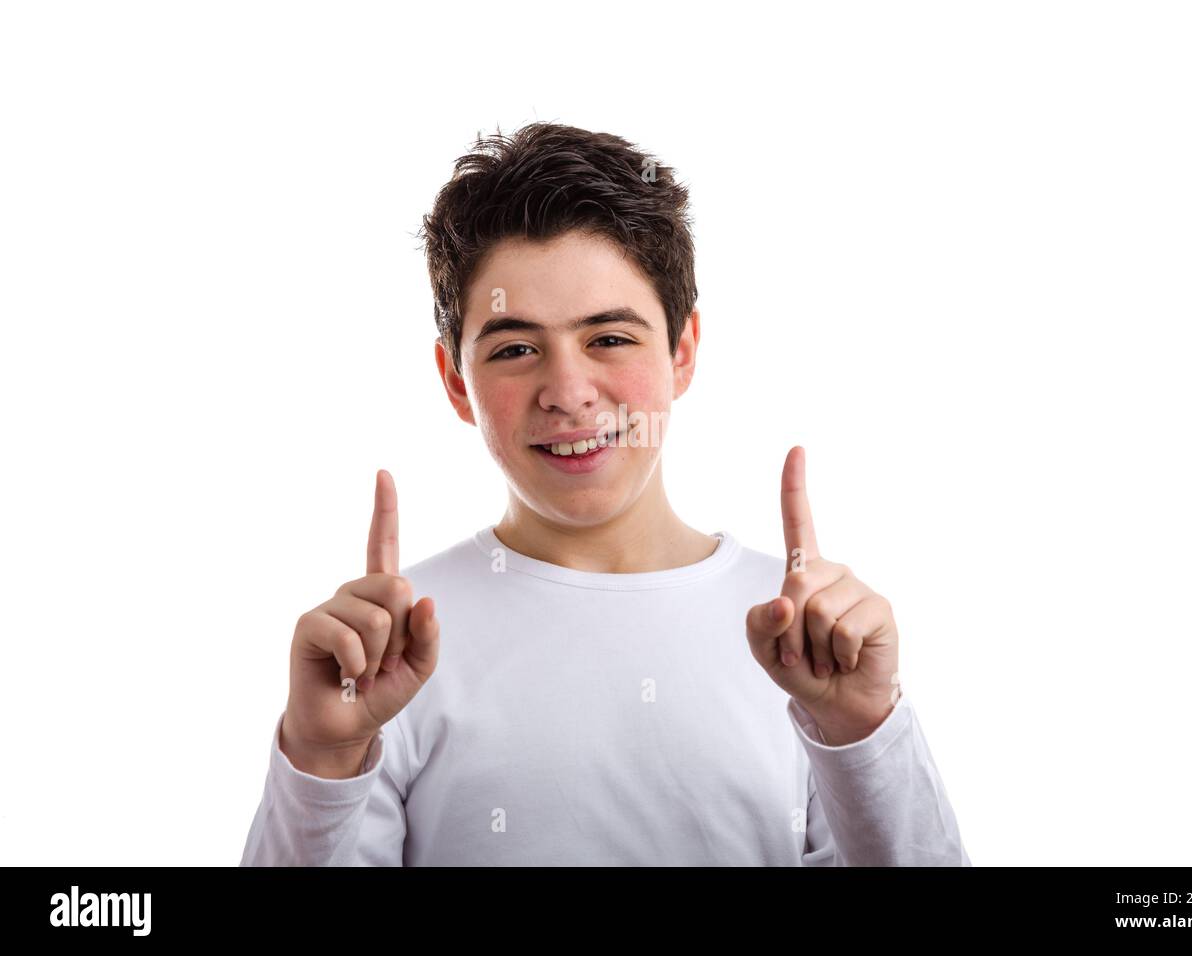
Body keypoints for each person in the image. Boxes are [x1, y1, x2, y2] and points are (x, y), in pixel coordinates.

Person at [239, 122, 971, 866]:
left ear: (682, 352)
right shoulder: (391, 651)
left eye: (610, 338)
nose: (567, 394)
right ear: (457, 382)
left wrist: (865, 732)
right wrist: (322, 760)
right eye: (516, 348)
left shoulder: (806, 639)